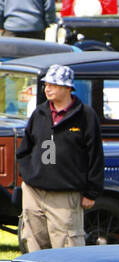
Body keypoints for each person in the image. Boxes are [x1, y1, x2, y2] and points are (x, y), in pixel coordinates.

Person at [17, 64, 103, 250]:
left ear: (67, 88)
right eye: (46, 84)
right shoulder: (39, 113)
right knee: (33, 241)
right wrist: (28, 176)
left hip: (65, 194)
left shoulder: (85, 115)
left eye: (53, 85)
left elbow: (95, 154)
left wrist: (91, 192)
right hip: (34, 191)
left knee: (66, 246)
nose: (47, 89)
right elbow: (25, 149)